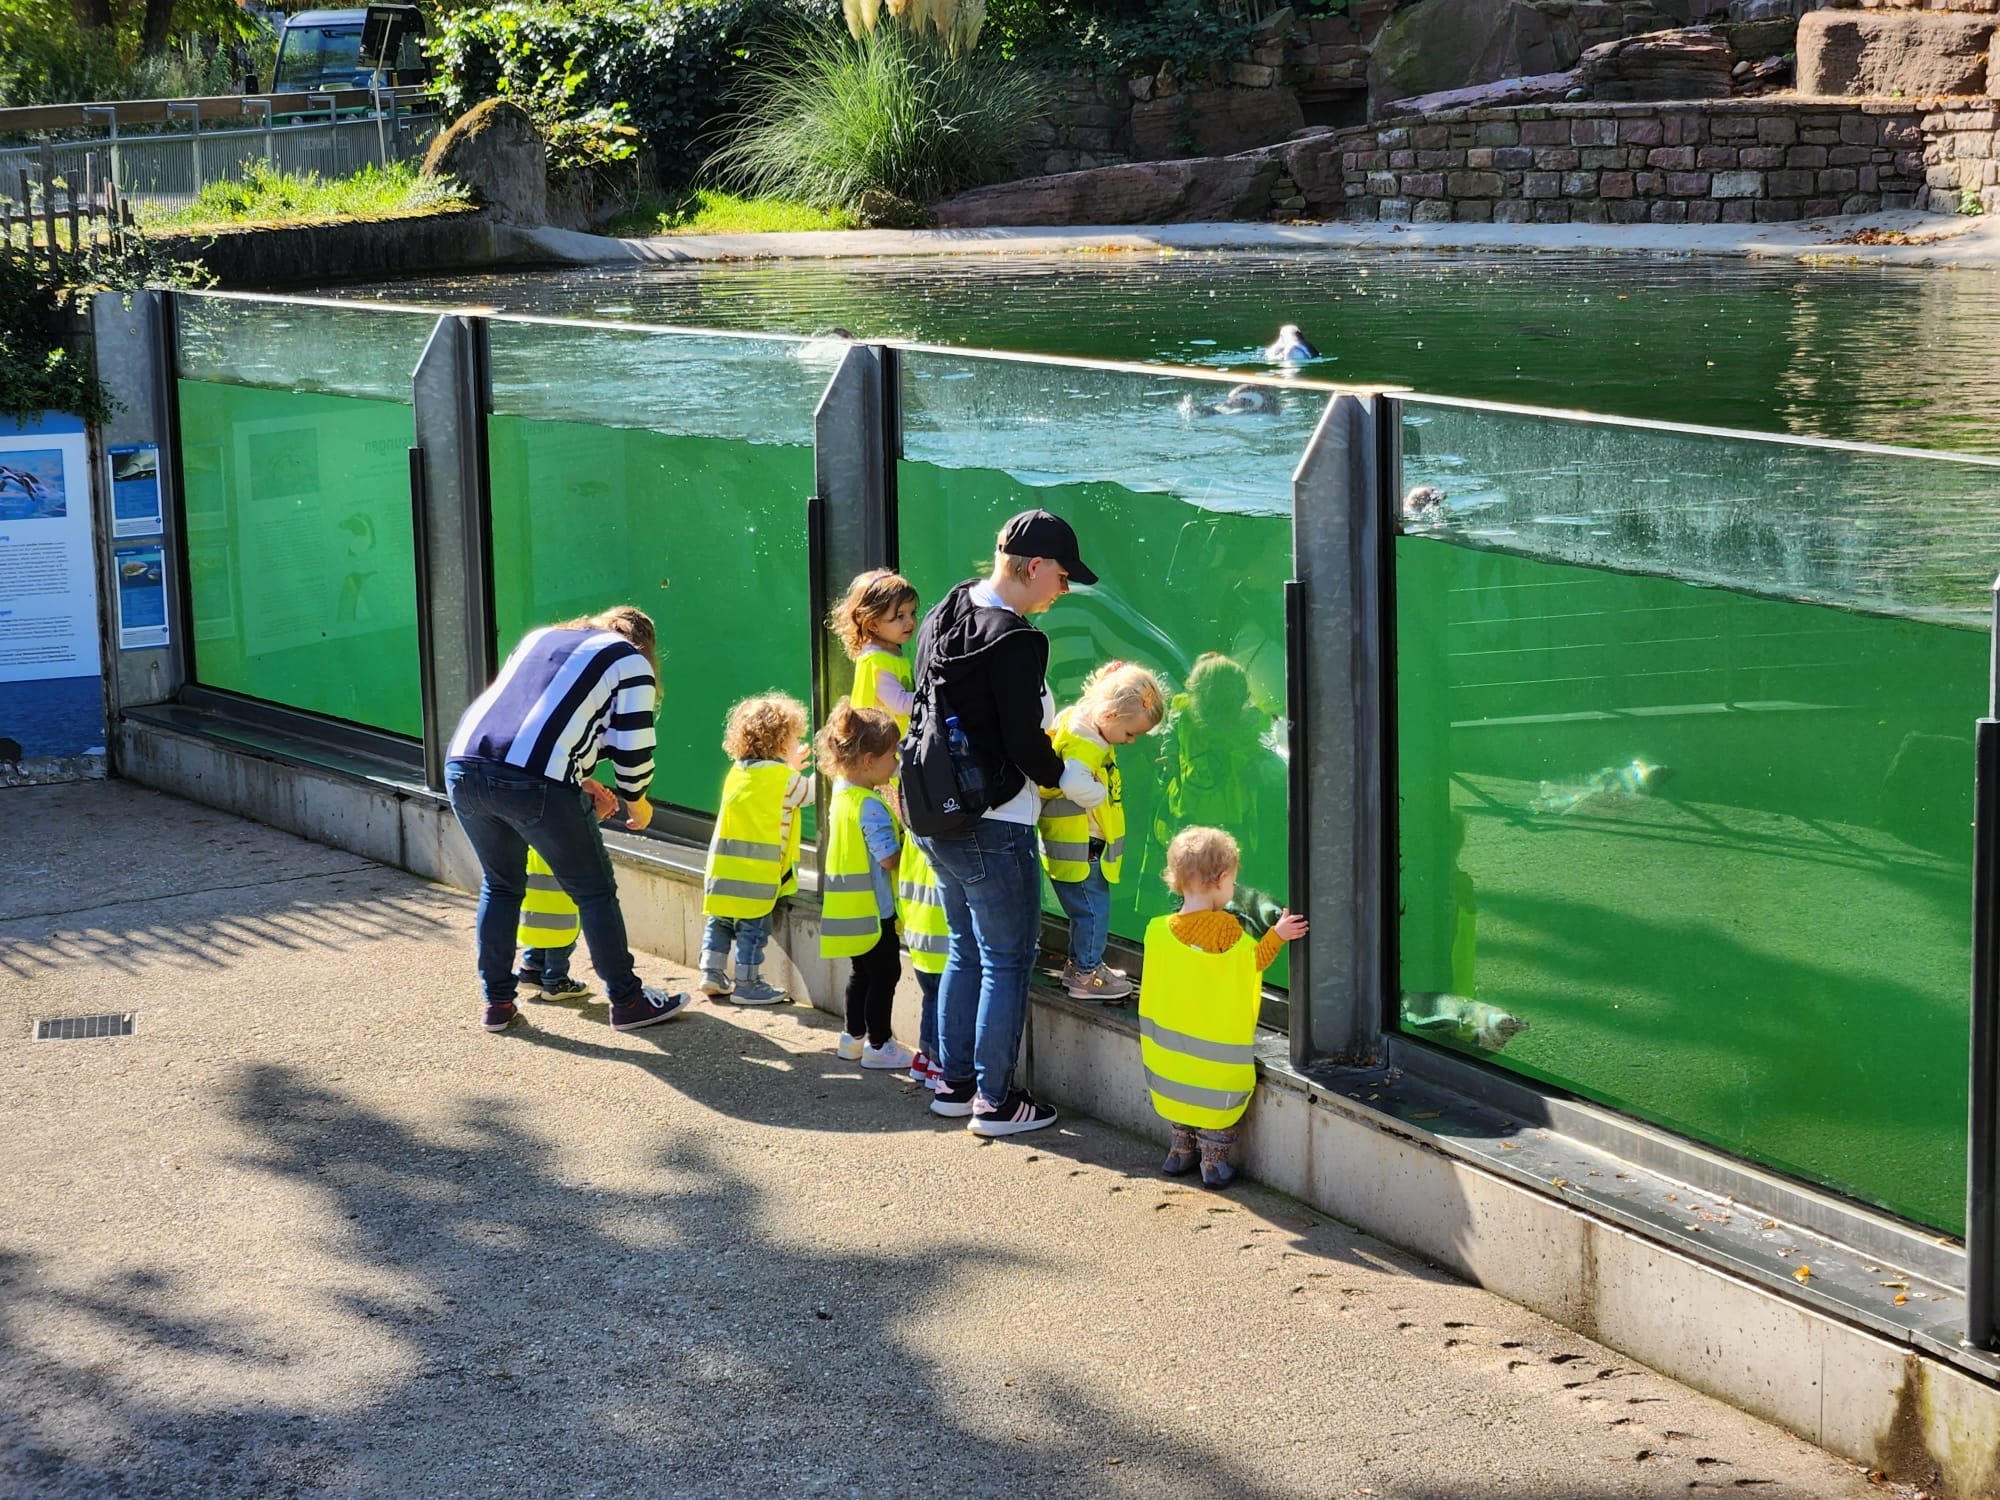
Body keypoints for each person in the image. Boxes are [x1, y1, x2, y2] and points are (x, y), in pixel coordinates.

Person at [910, 509, 1106, 1138]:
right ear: (1037, 565)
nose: (1065, 588)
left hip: (934, 813)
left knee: (966, 948)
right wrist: (1067, 778)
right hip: (995, 820)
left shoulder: (948, 607)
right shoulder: (1019, 638)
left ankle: (954, 1081)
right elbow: (1022, 740)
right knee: (1007, 959)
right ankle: (995, 1102)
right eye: (1063, 575)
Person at [445, 606, 687, 1034]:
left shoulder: (541, 639)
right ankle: (627, 1001)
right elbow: (632, 748)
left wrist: (584, 779)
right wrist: (638, 802)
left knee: (500, 886)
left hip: (463, 766)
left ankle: (497, 1003)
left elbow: (534, 716)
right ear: (645, 644)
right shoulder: (629, 659)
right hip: (534, 780)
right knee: (594, 892)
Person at [1141, 826, 1307, 1188]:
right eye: (1233, 882)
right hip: (1216, 1075)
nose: (1234, 889)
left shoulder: (1157, 930)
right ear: (1219, 881)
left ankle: (1179, 1150)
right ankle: (1213, 1164)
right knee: (1215, 1114)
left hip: (1170, 1069)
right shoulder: (1226, 931)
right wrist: (1278, 934)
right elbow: (1253, 960)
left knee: (1182, 1108)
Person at [1040, 660, 1167, 1002]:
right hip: (1082, 847)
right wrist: (1097, 793)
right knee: (1093, 911)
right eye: (1130, 734)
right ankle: (1087, 974)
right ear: (1110, 714)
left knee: (1085, 911)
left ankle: (1078, 965)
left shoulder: (1079, 720)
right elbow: (1072, 781)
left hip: (1075, 846)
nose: (1129, 742)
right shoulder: (1087, 744)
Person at [817, 698, 917, 1071]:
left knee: (861, 974)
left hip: (850, 910)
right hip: (877, 912)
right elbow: (888, 858)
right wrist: (911, 839)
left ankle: (852, 1038)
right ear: (868, 760)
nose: (896, 763)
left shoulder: (842, 796)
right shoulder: (870, 805)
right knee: (886, 975)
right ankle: (880, 1044)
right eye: (892, 755)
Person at [700, 692, 812, 1005]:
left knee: (720, 921)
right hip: (756, 875)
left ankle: (711, 971)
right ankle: (748, 983)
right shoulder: (783, 779)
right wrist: (836, 770)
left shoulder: (738, 773)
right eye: (793, 738)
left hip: (723, 870)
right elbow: (809, 793)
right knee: (754, 927)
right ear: (780, 742)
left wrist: (788, 766)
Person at [830, 568, 920, 734]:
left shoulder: (891, 652)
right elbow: (899, 703)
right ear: (873, 624)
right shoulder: (876, 661)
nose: (910, 621)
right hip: (877, 749)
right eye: (900, 616)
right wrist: (931, 696)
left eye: (912, 613)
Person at [516, 844, 593, 1002]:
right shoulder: (564, 837)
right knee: (560, 937)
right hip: (560, 900)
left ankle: (530, 969)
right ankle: (555, 982)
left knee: (542, 931)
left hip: (533, 900)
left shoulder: (530, 834)